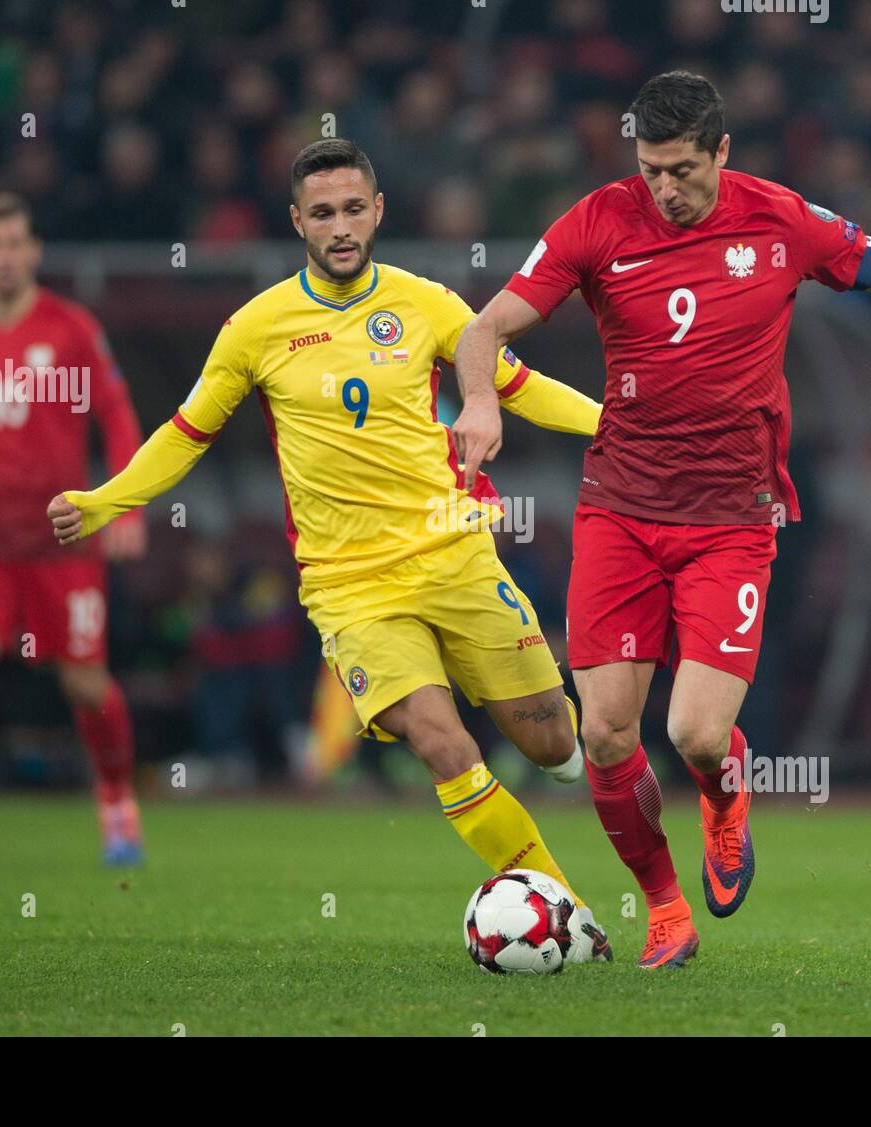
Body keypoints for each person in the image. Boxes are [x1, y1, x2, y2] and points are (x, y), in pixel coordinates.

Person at [452, 71, 871, 969]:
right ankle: (665, 906)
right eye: (649, 168)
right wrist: (480, 403)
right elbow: (484, 330)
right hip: (620, 510)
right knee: (603, 733)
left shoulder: (781, 220)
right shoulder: (597, 220)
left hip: (731, 520)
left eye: (680, 169)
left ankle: (723, 789)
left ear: (721, 152)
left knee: (697, 734)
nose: (664, 188)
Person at [47, 139, 613, 962]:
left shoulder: (429, 304)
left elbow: (520, 387)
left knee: (553, 742)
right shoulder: (258, 326)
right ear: (297, 223)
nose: (341, 227)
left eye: (354, 209)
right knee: (441, 741)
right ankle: (574, 917)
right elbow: (185, 431)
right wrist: (106, 500)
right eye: (322, 213)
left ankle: (556, 759)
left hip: (455, 554)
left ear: (378, 211)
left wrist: (620, 427)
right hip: (350, 588)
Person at [0, 192, 148, 869]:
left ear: (35, 251)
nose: (6, 257)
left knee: (86, 684)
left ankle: (117, 803)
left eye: (17, 243)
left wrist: (125, 503)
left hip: (61, 541)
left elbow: (118, 414)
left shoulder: (71, 328)